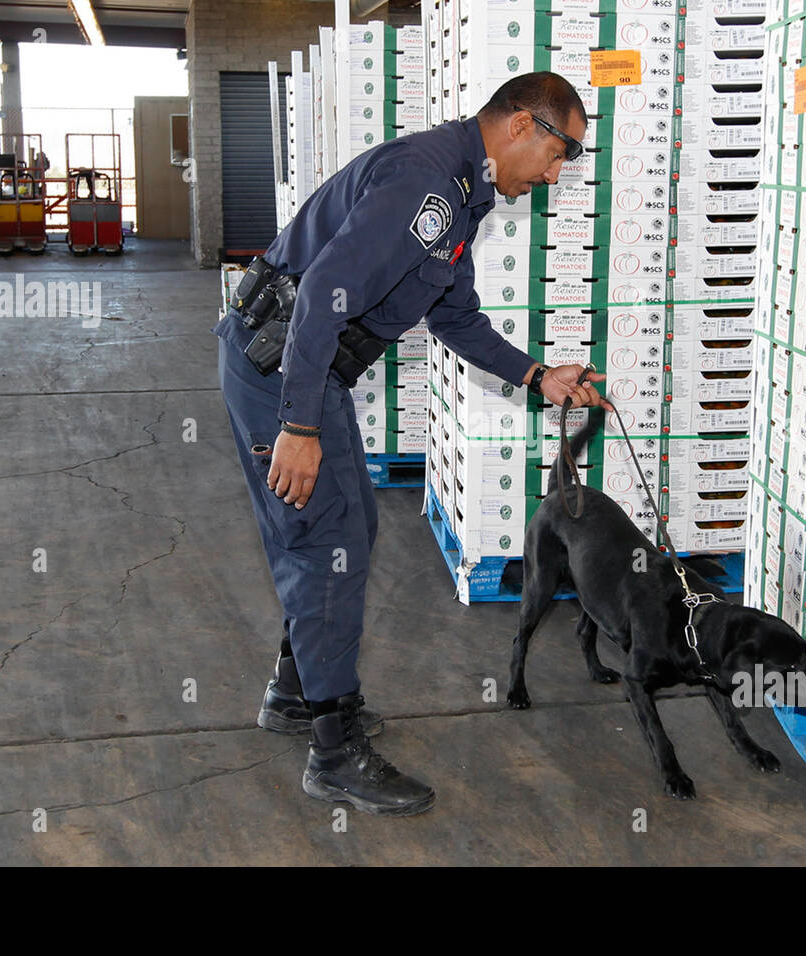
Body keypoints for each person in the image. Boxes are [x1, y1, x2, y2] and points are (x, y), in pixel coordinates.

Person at [213, 71, 610, 817]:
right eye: (561, 154)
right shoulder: (425, 187)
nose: (557, 175)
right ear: (522, 125)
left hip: (305, 368)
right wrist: (298, 427)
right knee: (326, 541)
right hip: (283, 369)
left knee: (349, 527)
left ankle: (296, 692)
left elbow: (453, 315)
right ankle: (332, 752)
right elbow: (325, 297)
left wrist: (536, 376)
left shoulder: (464, 193)